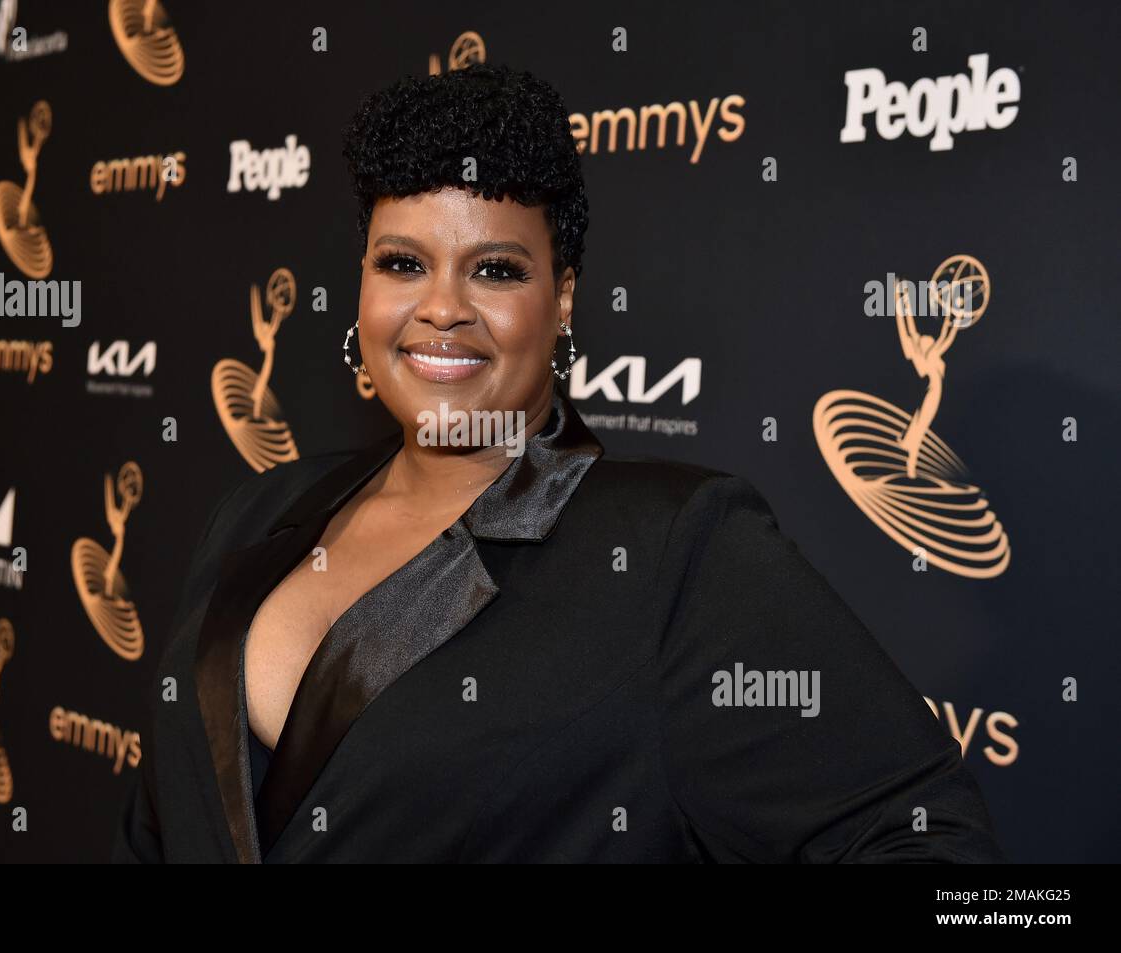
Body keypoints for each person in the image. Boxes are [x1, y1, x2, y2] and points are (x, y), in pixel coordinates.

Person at [111, 63, 1005, 863]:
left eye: (495, 270)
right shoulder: (256, 511)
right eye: (402, 263)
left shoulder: (674, 554)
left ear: (563, 297)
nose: (442, 309)